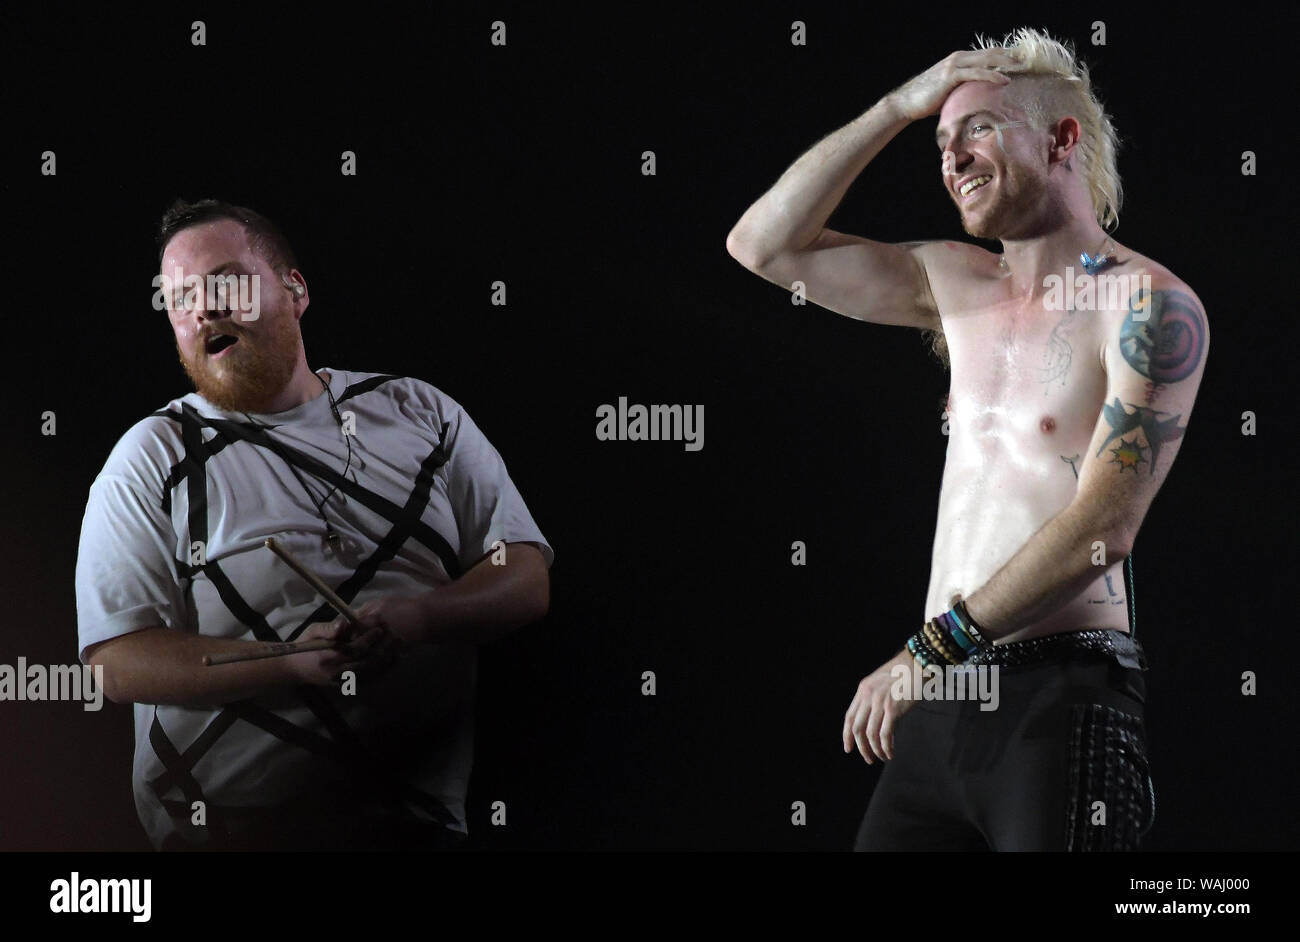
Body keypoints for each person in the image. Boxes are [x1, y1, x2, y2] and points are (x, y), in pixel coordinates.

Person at [726, 28, 1207, 850]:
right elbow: (761, 245)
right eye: (941, 144)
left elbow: (1105, 526)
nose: (951, 157)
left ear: (1061, 139)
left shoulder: (1148, 304)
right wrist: (898, 106)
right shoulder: (954, 282)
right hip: (935, 698)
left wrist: (929, 649)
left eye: (977, 129)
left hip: (1060, 694)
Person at [75, 199, 554, 850]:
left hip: (416, 830)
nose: (202, 309)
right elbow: (118, 663)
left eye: (222, 282)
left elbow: (524, 576)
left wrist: (417, 619)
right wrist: (292, 662)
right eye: (179, 298)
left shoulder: (420, 411)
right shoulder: (151, 454)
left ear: (294, 289)